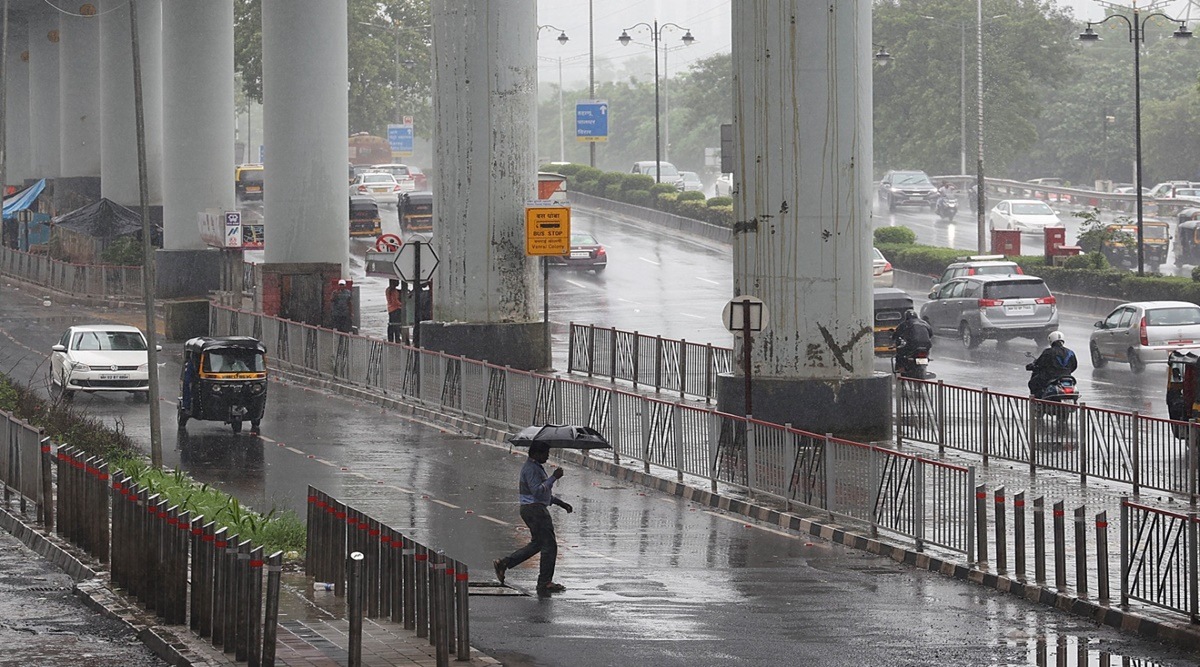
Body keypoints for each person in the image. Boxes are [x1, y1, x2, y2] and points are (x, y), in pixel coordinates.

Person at [493, 442, 574, 597]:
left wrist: (562, 504)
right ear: (536, 453)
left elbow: (544, 495)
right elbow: (537, 491)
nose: (547, 456)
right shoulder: (530, 469)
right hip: (535, 510)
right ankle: (545, 582)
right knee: (549, 546)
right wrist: (553, 478)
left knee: (538, 544)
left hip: (534, 508)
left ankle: (504, 563)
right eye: (545, 453)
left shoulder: (536, 468)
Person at [1026, 331, 1077, 397]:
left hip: (1050, 377)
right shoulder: (1070, 352)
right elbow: (1074, 366)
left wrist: (1032, 366)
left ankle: (1037, 402)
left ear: (1051, 341)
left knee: (1033, 383)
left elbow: (1040, 364)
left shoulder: (1048, 352)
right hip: (1067, 377)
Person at [385, 279, 409, 344]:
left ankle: (391, 339)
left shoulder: (388, 290)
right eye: (397, 281)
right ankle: (397, 339)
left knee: (392, 324)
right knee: (397, 325)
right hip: (396, 309)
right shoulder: (393, 291)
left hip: (390, 309)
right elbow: (395, 301)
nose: (398, 283)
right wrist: (402, 304)